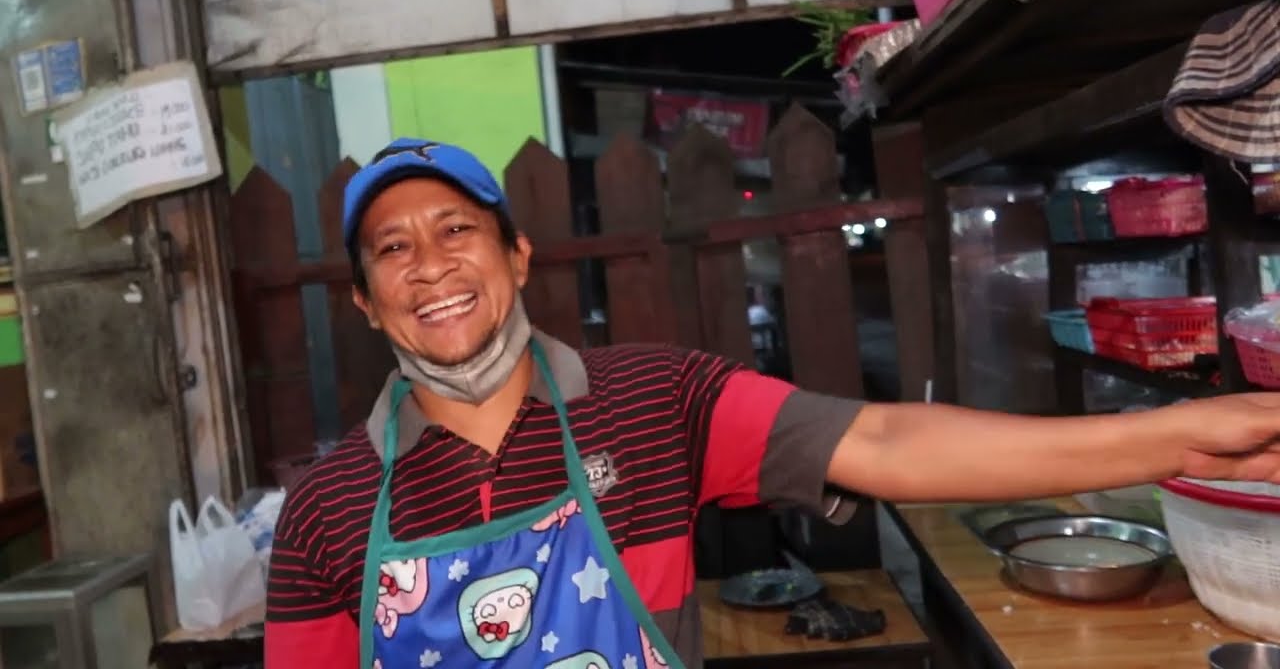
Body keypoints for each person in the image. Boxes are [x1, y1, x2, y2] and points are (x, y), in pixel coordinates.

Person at [265, 138, 1280, 669]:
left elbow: (881, 439)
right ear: (362, 300)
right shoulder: (327, 510)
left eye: (455, 232)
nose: (428, 267)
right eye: (391, 250)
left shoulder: (650, 403)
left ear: (516, 256)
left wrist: (1174, 434)